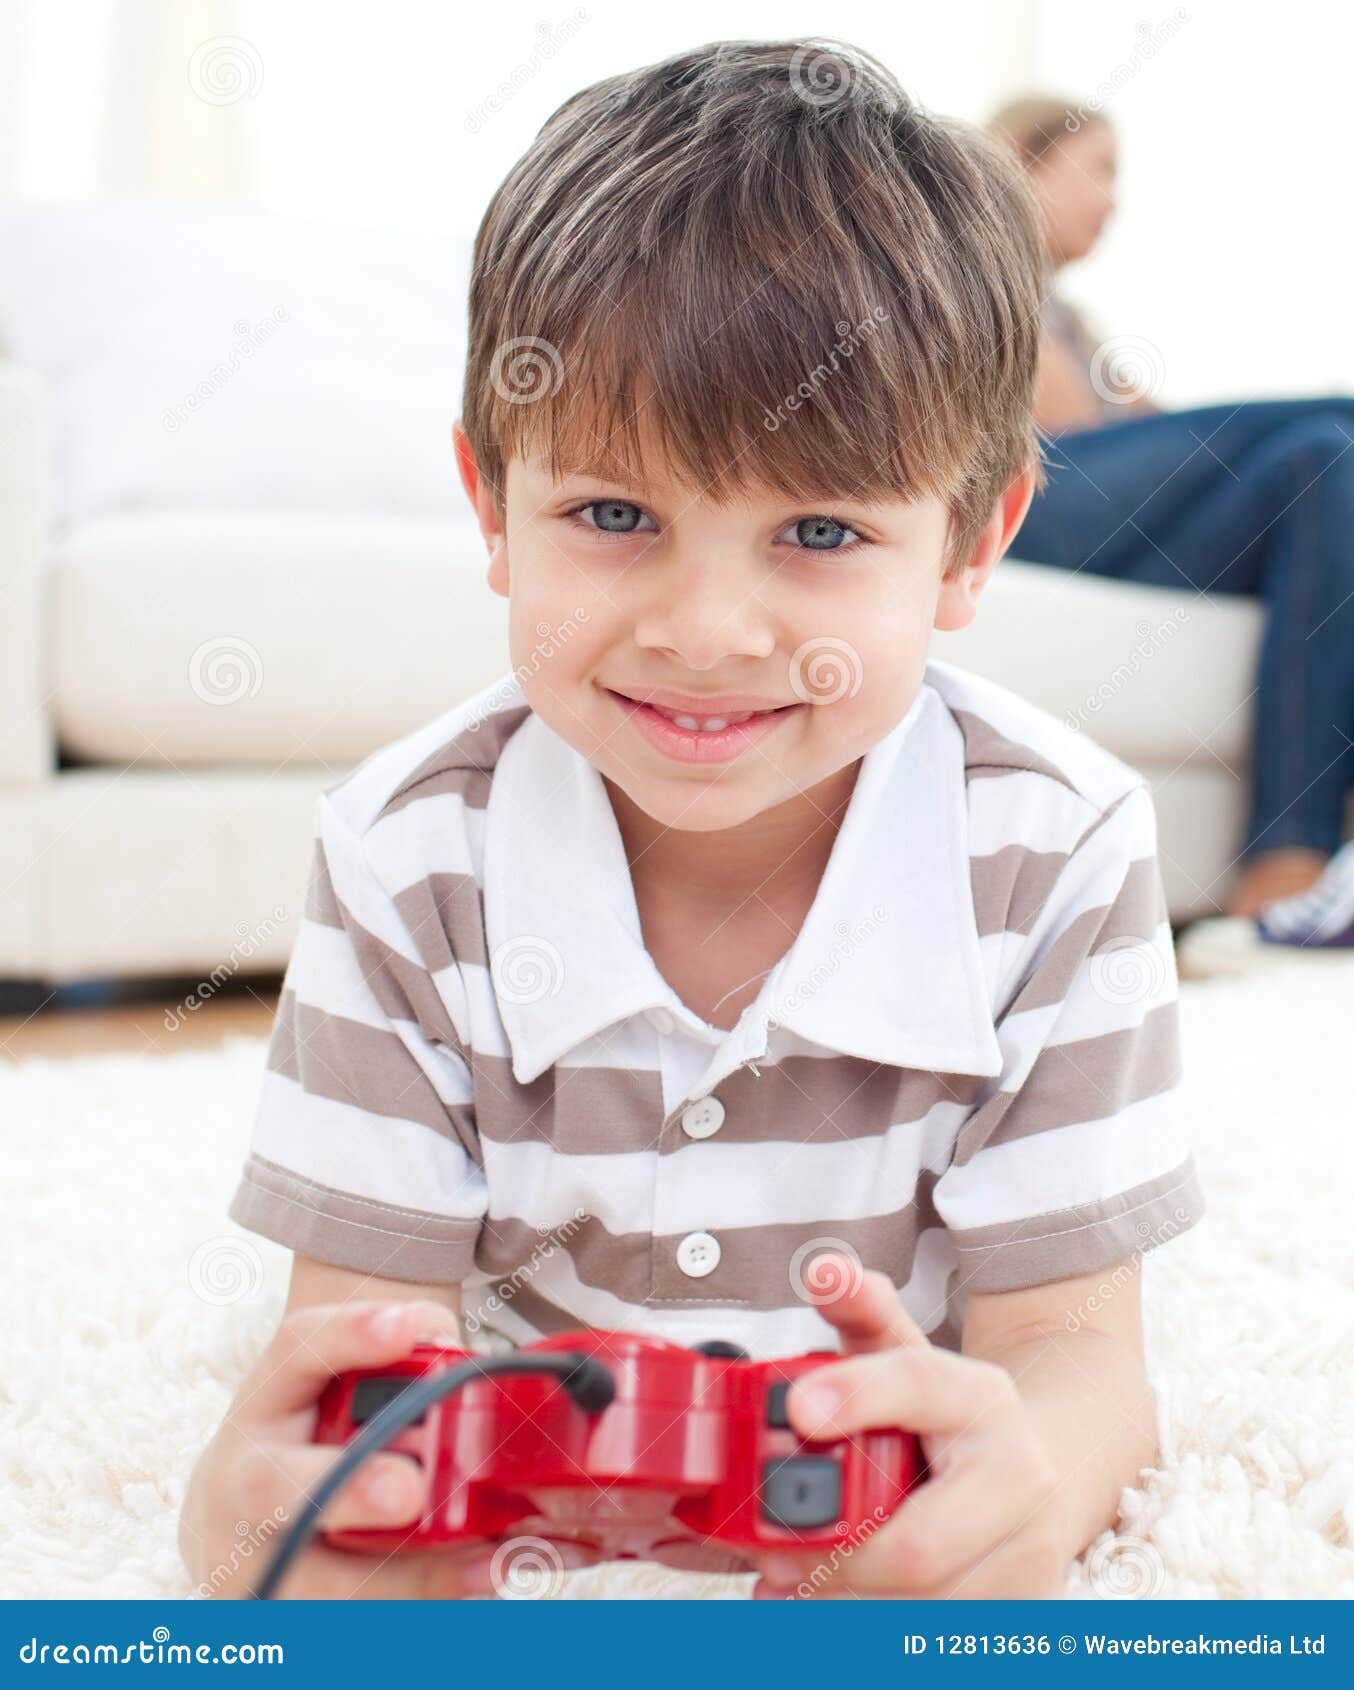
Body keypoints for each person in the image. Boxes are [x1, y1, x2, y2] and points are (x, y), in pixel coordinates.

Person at [180, 40, 1203, 1600]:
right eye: (612, 514)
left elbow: (1072, 1351)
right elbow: (356, 1338)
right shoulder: (405, 852)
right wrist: (288, 1518)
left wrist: (1024, 1499)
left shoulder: (1057, 848)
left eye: (818, 531)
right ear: (490, 506)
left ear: (968, 544)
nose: (707, 632)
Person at [988, 96, 1354, 972]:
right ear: (1025, 166)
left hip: (1112, 529)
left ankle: (1288, 863)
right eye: (1098, 170)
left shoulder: (1077, 320)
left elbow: (1160, 435)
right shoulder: (981, 273)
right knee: (1330, 419)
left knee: (1324, 458)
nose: (1112, 200)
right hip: (1025, 507)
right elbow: (1072, 439)